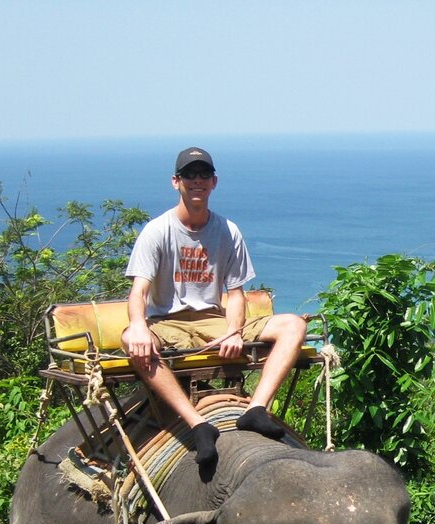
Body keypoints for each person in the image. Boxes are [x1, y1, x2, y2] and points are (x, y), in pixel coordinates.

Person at [122, 147, 307, 466]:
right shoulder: (157, 231)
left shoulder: (227, 231)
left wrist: (234, 332)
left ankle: (256, 408)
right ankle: (197, 423)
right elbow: (139, 291)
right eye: (189, 175)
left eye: (204, 174)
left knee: (294, 325)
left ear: (214, 182)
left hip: (213, 320)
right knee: (130, 339)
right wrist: (138, 327)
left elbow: (236, 294)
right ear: (175, 182)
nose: (197, 181)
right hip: (167, 322)